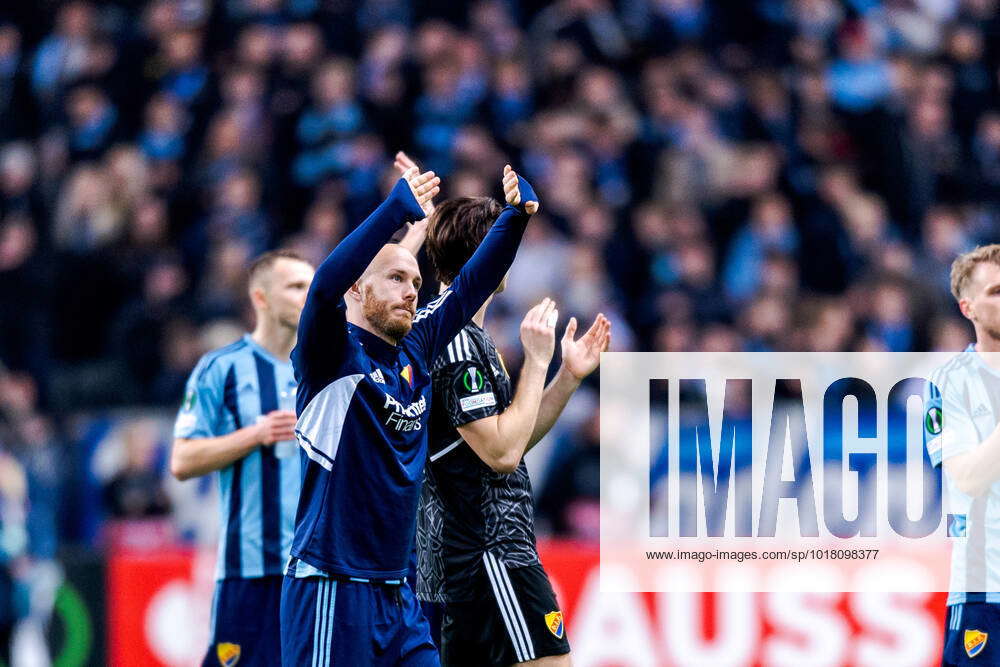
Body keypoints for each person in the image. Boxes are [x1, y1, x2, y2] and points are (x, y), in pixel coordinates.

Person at [280, 164, 539, 667]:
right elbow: (321, 288)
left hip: (399, 596)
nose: (410, 290)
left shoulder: (415, 352)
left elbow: (467, 288)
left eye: (416, 281)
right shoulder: (331, 356)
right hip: (333, 586)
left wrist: (515, 218)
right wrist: (394, 212)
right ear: (358, 289)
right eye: (396, 278)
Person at [396, 152, 609, 666]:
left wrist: (566, 375)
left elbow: (508, 437)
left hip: (460, 558)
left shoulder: (452, 331)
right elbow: (502, 454)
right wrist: (536, 361)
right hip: (488, 552)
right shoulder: (458, 343)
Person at [170, 249, 315, 667]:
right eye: (295, 287)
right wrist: (254, 435)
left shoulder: (322, 368)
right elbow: (182, 460)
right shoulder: (221, 368)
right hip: (248, 569)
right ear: (261, 299)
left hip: (313, 569)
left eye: (311, 285)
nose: (309, 295)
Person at [926, 244, 1000, 666]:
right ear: (968, 308)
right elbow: (968, 478)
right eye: (997, 291)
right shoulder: (950, 384)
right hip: (985, 592)